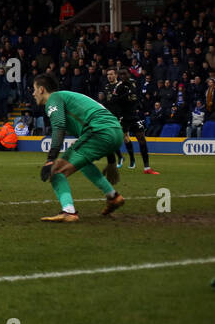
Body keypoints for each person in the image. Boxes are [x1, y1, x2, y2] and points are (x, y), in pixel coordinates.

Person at [32, 73, 124, 223]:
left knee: (55, 172)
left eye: (34, 89)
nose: (33, 93)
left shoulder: (54, 99)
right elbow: (104, 121)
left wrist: (50, 160)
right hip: (114, 131)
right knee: (83, 162)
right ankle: (113, 196)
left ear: (41, 89)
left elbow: (59, 126)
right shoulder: (69, 97)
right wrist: (112, 161)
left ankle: (68, 211)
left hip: (98, 131)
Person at [102, 68, 159, 174]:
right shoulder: (118, 87)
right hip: (123, 118)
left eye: (125, 74)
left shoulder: (133, 83)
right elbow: (113, 101)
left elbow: (136, 95)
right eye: (121, 75)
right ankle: (117, 160)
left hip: (134, 116)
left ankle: (147, 168)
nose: (123, 76)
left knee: (142, 139)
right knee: (114, 140)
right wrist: (124, 96)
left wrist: (138, 104)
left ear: (128, 75)